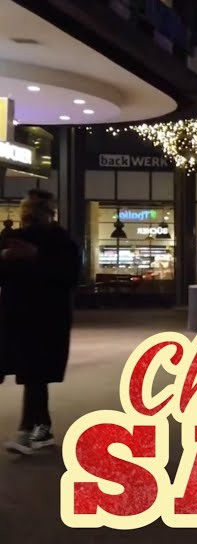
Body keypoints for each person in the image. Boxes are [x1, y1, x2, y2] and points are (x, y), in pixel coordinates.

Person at [1, 190, 81, 454]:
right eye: (28, 212)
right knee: (34, 374)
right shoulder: (15, 240)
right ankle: (42, 428)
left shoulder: (59, 241)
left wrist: (35, 256)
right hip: (20, 315)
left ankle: (27, 431)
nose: (30, 217)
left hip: (45, 317)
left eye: (35, 211)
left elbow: (69, 274)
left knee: (34, 373)